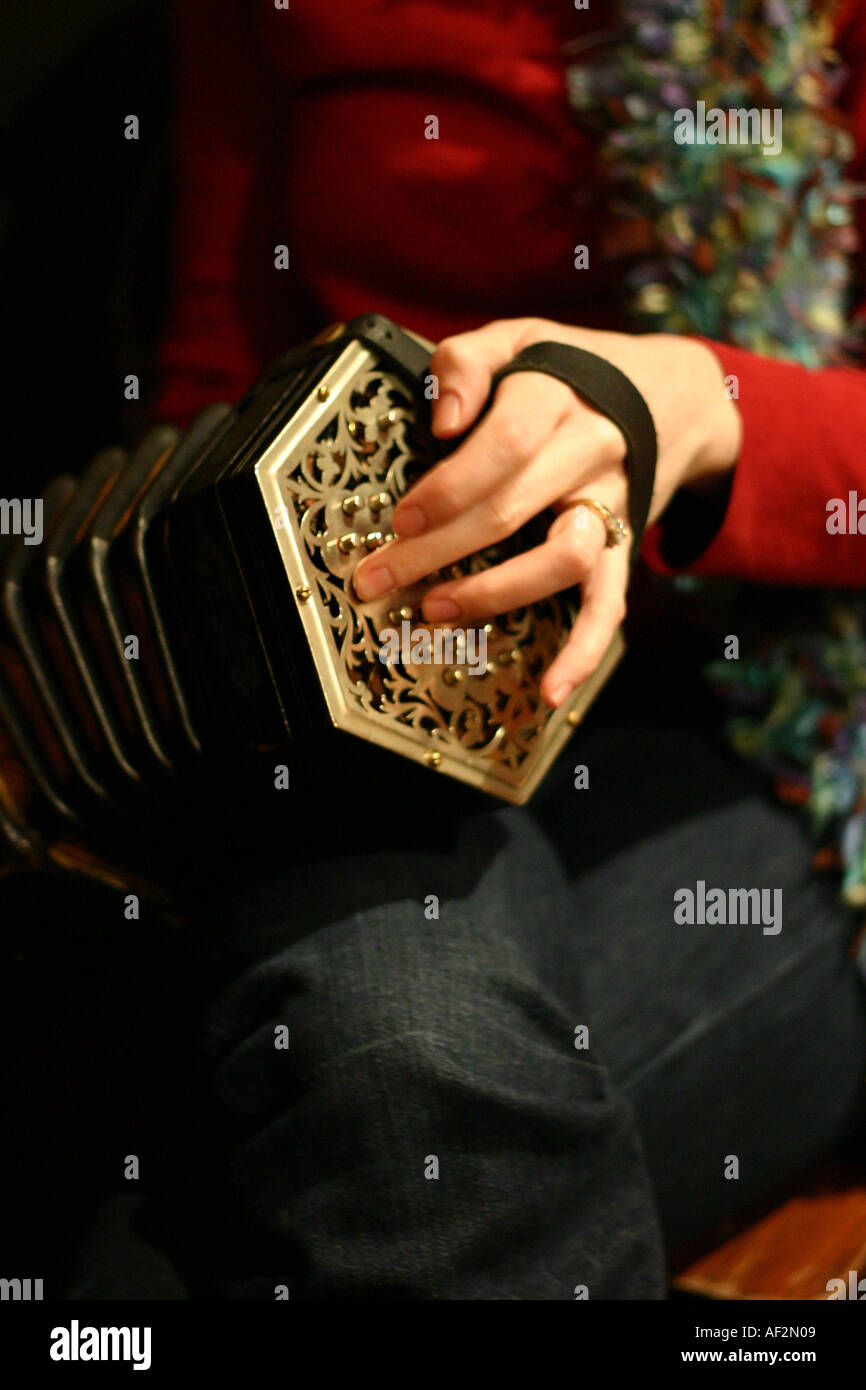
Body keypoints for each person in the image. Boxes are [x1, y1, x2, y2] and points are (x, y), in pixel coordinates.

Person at [138, 0, 866, 1298]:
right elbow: (221, 357)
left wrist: (696, 405)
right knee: (402, 1067)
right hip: (394, 655)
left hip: (794, 711)